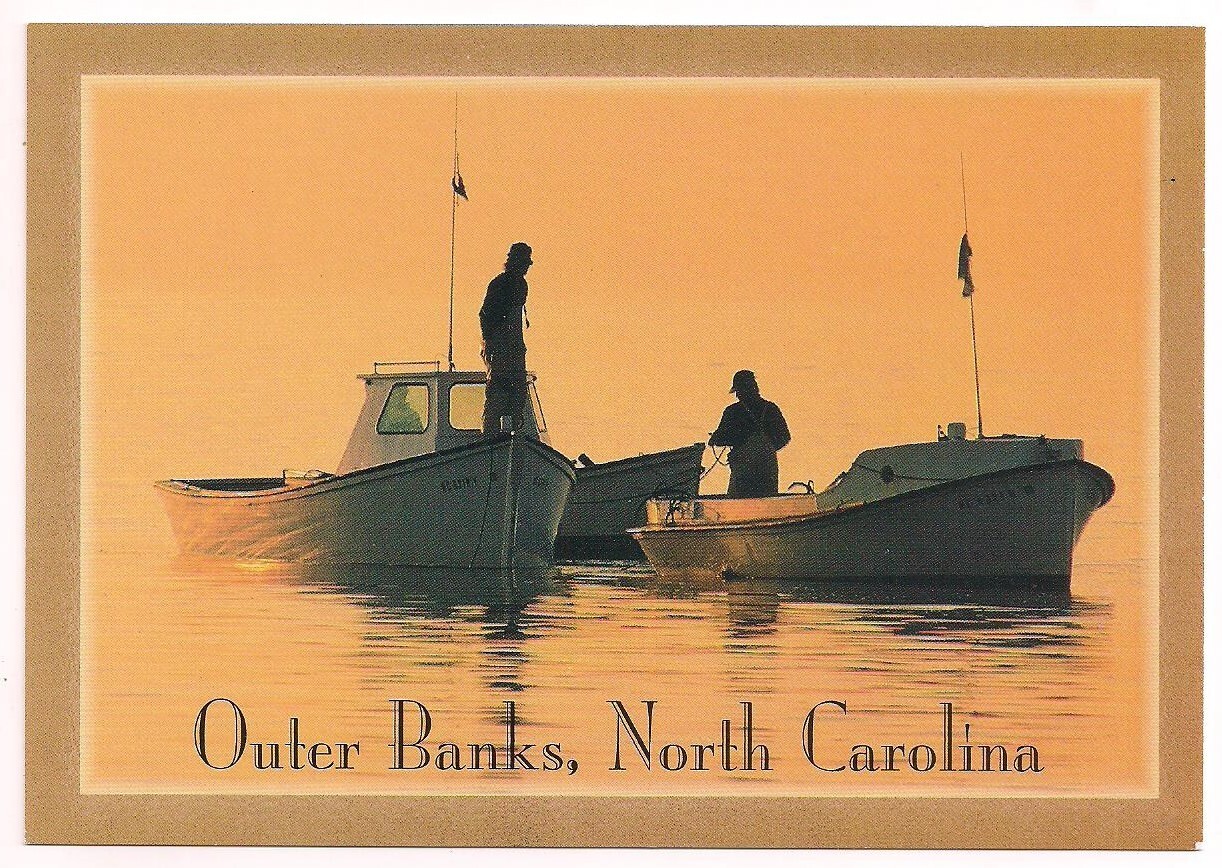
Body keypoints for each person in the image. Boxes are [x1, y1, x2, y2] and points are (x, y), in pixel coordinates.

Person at [709, 370, 791, 497]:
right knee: (768, 501)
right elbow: (785, 437)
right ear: (755, 387)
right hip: (767, 469)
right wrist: (766, 450)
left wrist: (715, 438)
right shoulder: (771, 409)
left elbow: (718, 439)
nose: (737, 395)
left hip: (743, 471)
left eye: (737, 392)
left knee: (738, 502)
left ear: (740, 391)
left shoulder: (732, 412)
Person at [480, 242, 534, 433]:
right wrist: (492, 346)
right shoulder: (500, 284)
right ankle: (490, 439)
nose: (527, 267)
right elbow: (485, 316)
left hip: (515, 349)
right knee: (498, 394)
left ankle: (514, 436)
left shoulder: (521, 285)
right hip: (499, 349)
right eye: (525, 263)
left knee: (518, 394)